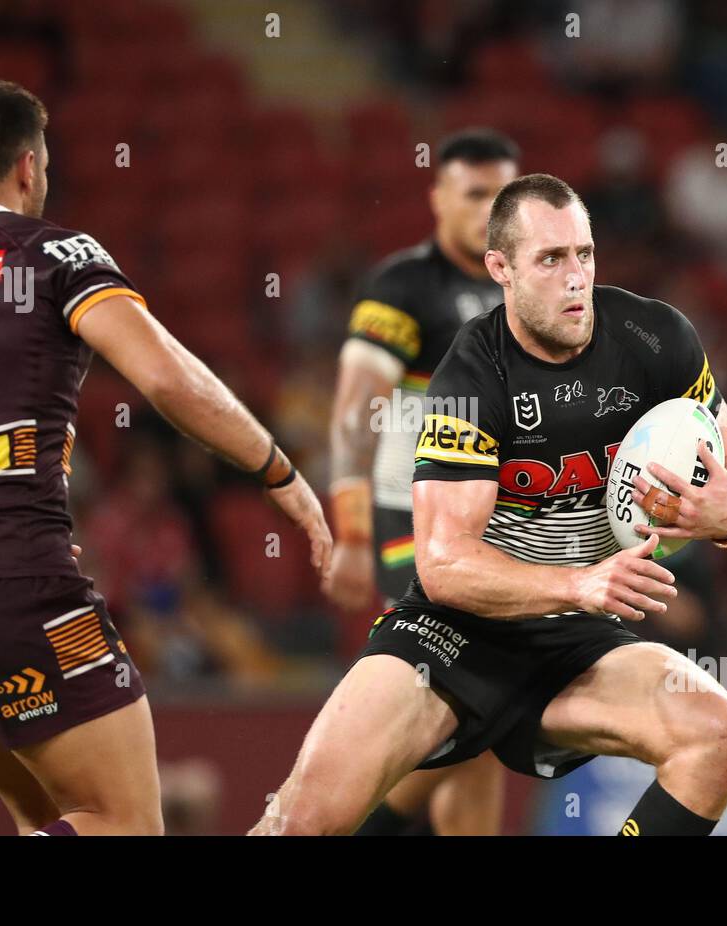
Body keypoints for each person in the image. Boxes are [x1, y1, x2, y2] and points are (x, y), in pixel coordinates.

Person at [0, 81, 331, 836]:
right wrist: (278, 470)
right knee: (126, 824)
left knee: (54, 819)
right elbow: (166, 376)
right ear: (30, 167)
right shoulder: (54, 254)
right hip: (15, 587)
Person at [253, 173, 727, 836]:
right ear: (501, 268)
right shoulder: (470, 376)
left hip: (575, 640)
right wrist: (579, 582)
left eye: (584, 253)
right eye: (551, 259)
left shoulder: (658, 341)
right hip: (454, 634)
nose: (575, 277)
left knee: (723, 739)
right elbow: (442, 566)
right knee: (301, 823)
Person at [325, 129, 518, 835]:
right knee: (486, 700)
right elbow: (354, 414)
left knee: (482, 726)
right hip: (410, 520)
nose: (491, 209)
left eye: (504, 195)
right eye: (474, 194)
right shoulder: (405, 286)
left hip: (495, 527)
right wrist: (348, 531)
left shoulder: (525, 290)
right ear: (438, 198)